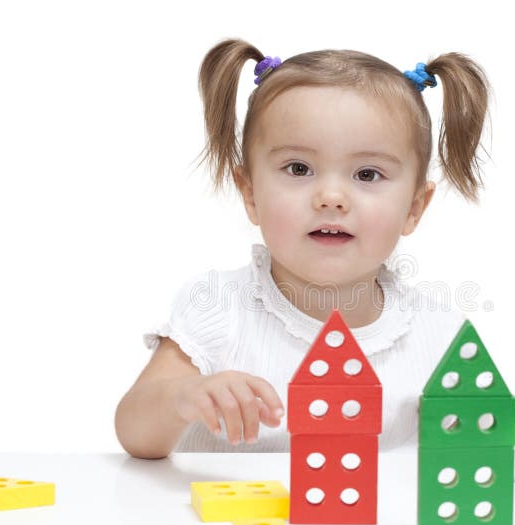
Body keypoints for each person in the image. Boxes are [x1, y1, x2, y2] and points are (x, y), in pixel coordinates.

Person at [115, 38, 492, 459]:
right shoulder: (218, 309)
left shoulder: (436, 333)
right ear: (251, 194)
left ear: (414, 208)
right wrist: (184, 396)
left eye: (367, 174)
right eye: (299, 168)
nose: (331, 197)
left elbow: (474, 451)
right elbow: (134, 431)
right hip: (229, 524)